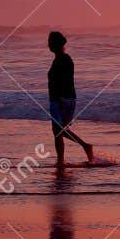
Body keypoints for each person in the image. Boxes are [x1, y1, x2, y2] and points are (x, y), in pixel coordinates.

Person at [46, 30, 94, 166]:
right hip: (60, 99)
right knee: (58, 131)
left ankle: (83, 147)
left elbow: (66, 81)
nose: (48, 45)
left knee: (58, 131)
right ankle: (62, 159)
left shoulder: (64, 59)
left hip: (62, 100)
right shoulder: (58, 59)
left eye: (50, 42)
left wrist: (61, 99)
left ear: (57, 44)